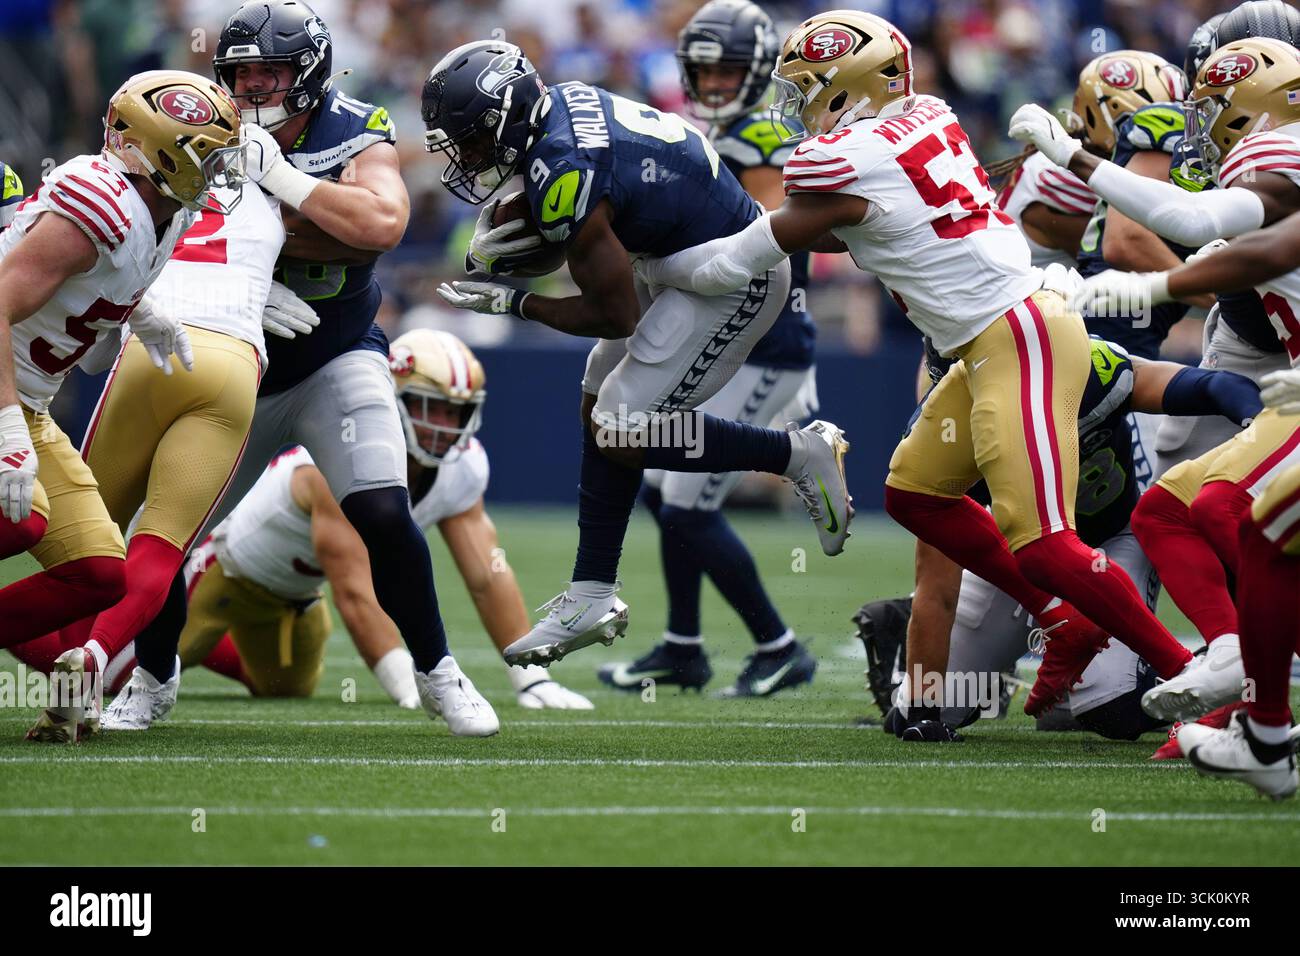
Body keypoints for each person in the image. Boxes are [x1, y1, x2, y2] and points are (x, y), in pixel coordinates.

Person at [639, 11, 1195, 736]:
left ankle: (1193, 676)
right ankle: (1063, 620)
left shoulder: (840, 162)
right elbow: (859, 220)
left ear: (851, 89)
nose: (797, 103)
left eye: (810, 87)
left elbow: (731, 262)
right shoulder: (926, 115)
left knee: (1046, 543)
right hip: (988, 339)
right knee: (916, 493)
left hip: (1018, 334)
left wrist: (645, 257)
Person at [115, 0, 499, 737]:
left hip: (332, 356)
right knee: (160, 534)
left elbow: (382, 225)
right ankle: (152, 682)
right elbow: (144, 233)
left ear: (312, 74)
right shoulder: (200, 128)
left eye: (272, 72)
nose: (255, 87)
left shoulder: (351, 128)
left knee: (383, 511)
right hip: (231, 364)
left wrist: (284, 189)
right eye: (242, 73)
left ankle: (441, 674)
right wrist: (245, 282)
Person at [428, 38, 851, 668]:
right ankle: (592, 594)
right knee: (598, 399)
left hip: (731, 275)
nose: (465, 156)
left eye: (470, 138)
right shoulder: (556, 114)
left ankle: (796, 452)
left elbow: (612, 311)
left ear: (506, 118)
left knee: (619, 424)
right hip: (679, 256)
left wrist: (517, 303)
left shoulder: (561, 168)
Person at [173, 329, 593, 711]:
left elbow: (488, 575)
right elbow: (357, 593)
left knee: (283, 689)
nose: (442, 427)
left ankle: (219, 650)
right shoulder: (337, 464)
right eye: (429, 407)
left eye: (454, 413)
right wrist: (410, 685)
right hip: (218, 575)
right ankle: (187, 645)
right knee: (120, 675)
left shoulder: (463, 468)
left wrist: (530, 676)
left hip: (297, 599)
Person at [0, 70, 235, 741]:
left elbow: (101, 278)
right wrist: (6, 427)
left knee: (99, 573)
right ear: (161, 155)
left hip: (32, 400)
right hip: (10, 398)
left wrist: (141, 311)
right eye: (206, 157)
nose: (217, 172)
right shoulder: (98, 204)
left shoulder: (166, 210)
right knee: (19, 522)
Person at [599, 0, 818, 697]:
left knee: (686, 504)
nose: (715, 81)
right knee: (665, 492)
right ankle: (683, 646)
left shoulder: (760, 139)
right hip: (729, 335)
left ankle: (778, 645)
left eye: (728, 68)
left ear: (755, 71)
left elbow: (765, 243)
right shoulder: (712, 132)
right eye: (704, 69)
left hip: (763, 340)